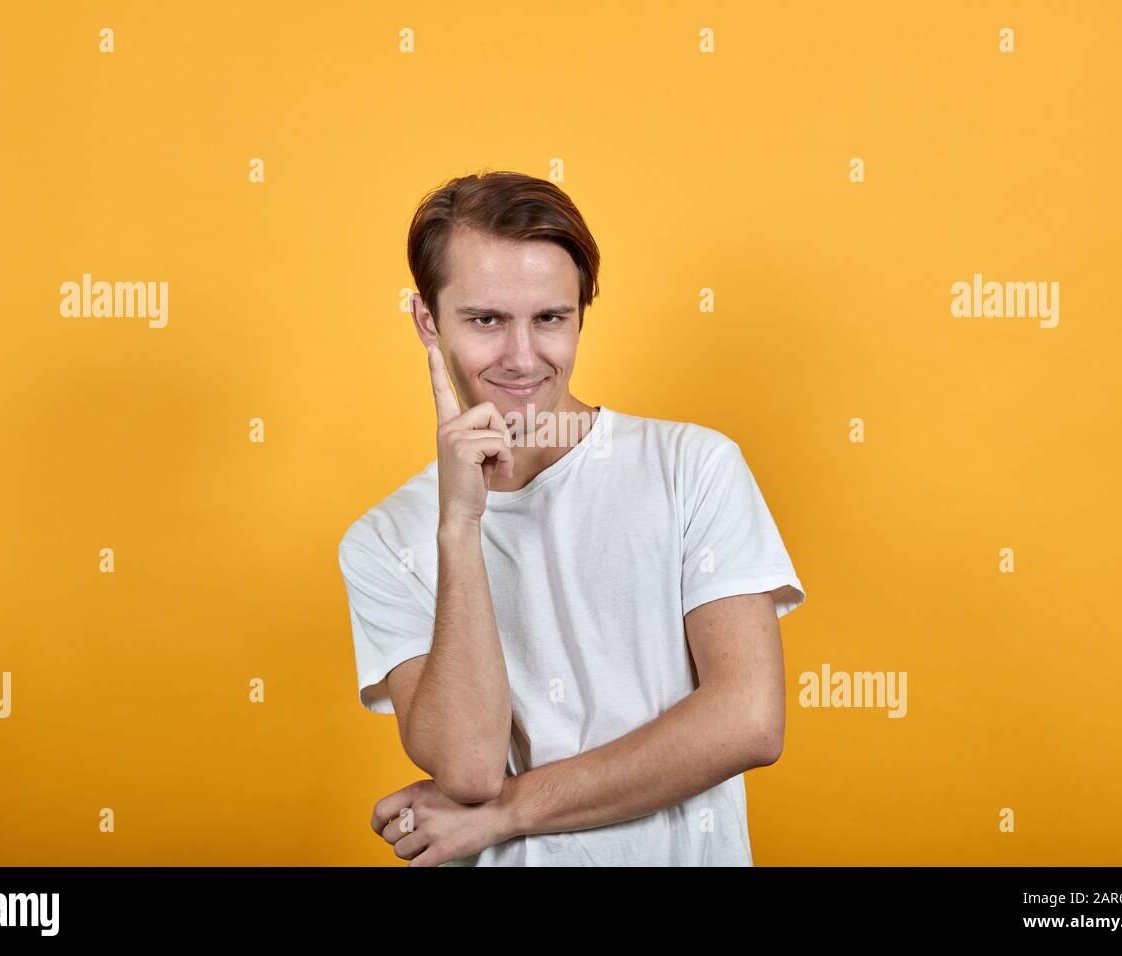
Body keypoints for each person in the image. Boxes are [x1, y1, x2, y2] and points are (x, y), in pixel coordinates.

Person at [338, 170, 806, 866]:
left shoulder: (692, 467)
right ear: (428, 323)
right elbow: (467, 769)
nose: (523, 358)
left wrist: (509, 812)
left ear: (582, 313)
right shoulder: (383, 540)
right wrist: (460, 526)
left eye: (550, 318)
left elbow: (747, 722)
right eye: (486, 320)